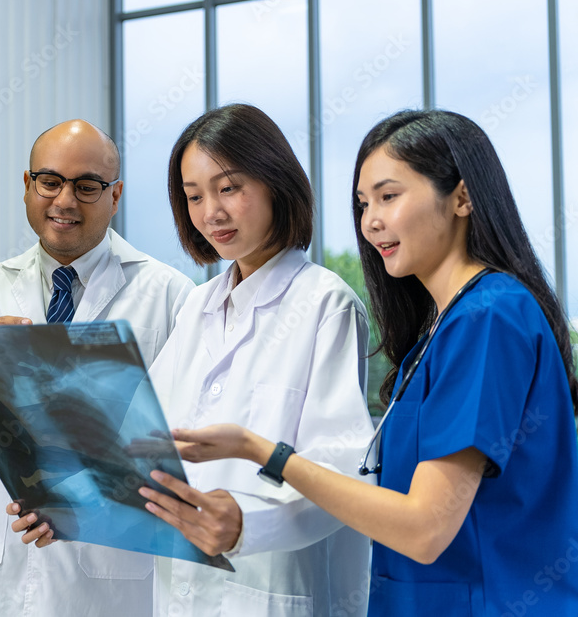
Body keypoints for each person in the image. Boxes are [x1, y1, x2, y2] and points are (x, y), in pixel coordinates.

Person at [149, 109, 578, 616]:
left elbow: (424, 527)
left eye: (389, 196)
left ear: (462, 197)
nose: (371, 220)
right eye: (362, 203)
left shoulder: (489, 317)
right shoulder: (439, 332)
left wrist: (261, 450)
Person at [132, 104, 377, 616]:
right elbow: (137, 432)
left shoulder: (325, 305)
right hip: (184, 584)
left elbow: (341, 475)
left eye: (228, 188)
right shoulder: (198, 307)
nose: (210, 213)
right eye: (194, 196)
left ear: (275, 182)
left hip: (277, 586)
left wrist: (249, 524)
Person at [0, 119, 196, 617]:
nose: (64, 201)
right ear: (27, 185)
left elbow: (182, 440)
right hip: (7, 553)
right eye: (50, 181)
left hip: (111, 566)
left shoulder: (169, 294)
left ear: (116, 195)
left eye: (87, 187)